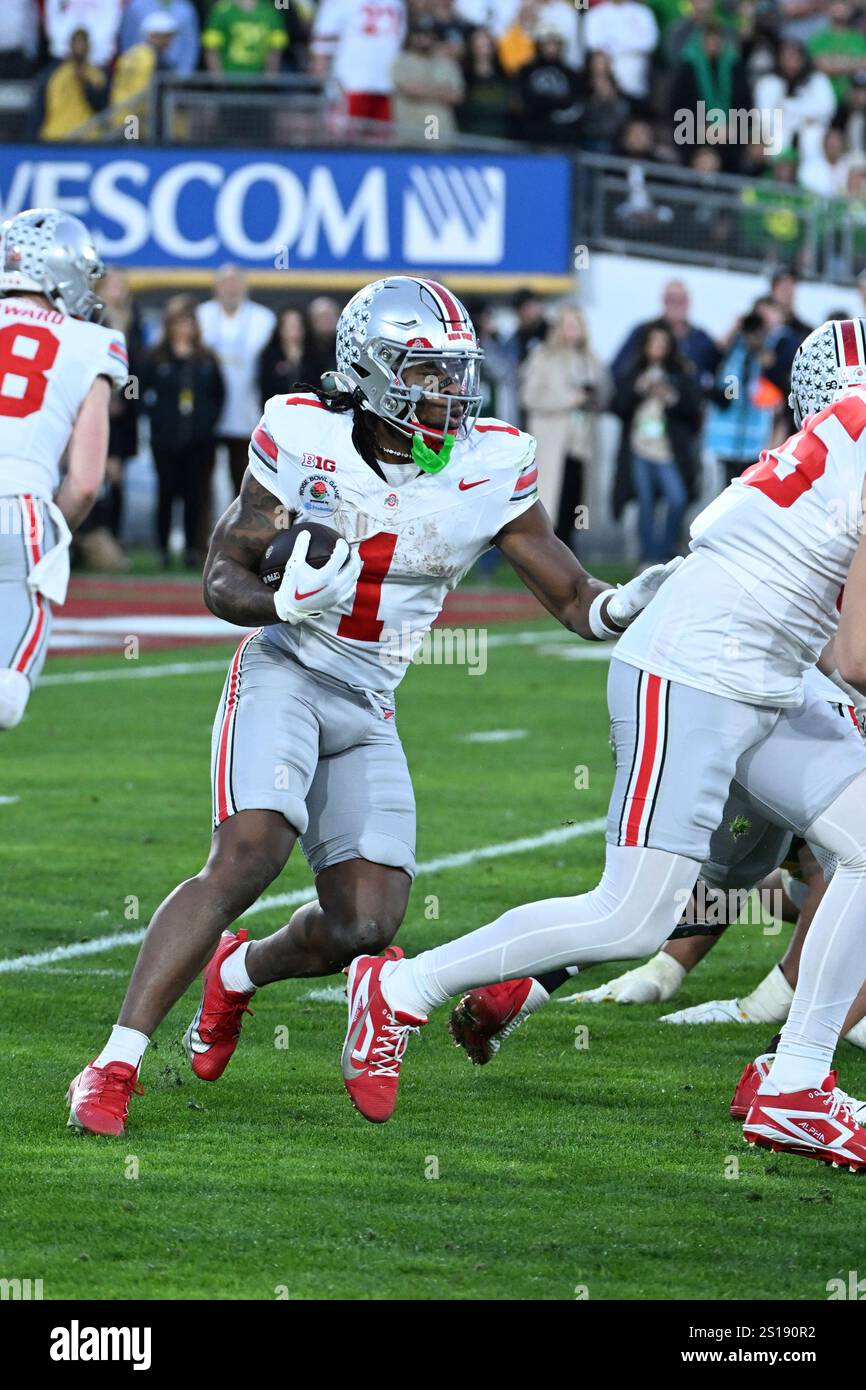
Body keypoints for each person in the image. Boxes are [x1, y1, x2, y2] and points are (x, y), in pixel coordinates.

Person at [65, 274, 680, 1136]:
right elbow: (220, 575)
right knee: (247, 856)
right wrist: (282, 602)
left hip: (371, 700)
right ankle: (112, 1067)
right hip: (285, 666)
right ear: (369, 371)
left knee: (366, 923)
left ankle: (236, 977)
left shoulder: (489, 462)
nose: (449, 393)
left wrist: (623, 605)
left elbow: (575, 595)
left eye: (455, 372)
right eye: (425, 374)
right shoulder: (302, 434)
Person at [337, 317, 866, 1175]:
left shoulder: (845, 430)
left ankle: (798, 1081)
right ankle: (397, 990)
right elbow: (856, 657)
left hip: (763, 663)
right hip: (696, 667)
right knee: (632, 914)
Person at [0, 208, 128, 730]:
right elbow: (85, 481)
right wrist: (54, 534)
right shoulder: (92, 343)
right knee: (6, 695)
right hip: (22, 512)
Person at [140, 296, 225, 569]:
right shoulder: (155, 357)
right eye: (179, 321)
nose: (184, 327)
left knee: (195, 495)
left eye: (188, 321)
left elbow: (219, 394)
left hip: (199, 441)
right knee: (166, 494)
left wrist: (206, 423)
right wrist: (154, 416)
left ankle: (192, 550)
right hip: (164, 440)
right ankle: (162, 549)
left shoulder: (206, 358)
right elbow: (136, 389)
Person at [519, 304, 610, 543]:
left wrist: (593, 395)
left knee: (575, 504)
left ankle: (571, 563)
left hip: (581, 446)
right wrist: (569, 399)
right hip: (552, 444)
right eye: (567, 324)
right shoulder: (543, 356)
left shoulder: (591, 359)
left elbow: (606, 397)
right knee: (552, 506)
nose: (572, 330)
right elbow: (529, 397)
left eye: (576, 324)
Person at [614, 321, 703, 563]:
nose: (658, 348)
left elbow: (693, 411)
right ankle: (648, 558)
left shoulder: (680, 373)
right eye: (653, 343)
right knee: (645, 504)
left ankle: (664, 553)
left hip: (667, 451)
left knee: (677, 499)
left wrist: (670, 396)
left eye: (662, 343)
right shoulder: (633, 371)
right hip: (639, 449)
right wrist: (638, 390)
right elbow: (617, 405)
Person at [196, 265, 276, 514]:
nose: (230, 288)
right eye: (225, 283)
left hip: (247, 413)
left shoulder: (264, 318)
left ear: (245, 286)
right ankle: (201, 541)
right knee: (202, 480)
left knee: (243, 479)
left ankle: (239, 535)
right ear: (216, 287)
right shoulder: (201, 315)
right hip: (207, 413)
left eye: (235, 282)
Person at [704, 310, 777, 489]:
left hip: (754, 444)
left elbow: (777, 383)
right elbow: (707, 360)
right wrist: (734, 328)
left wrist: (763, 345)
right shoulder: (730, 354)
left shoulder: (766, 357)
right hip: (725, 444)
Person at [611, 279, 719, 392]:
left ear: (688, 302)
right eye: (671, 299)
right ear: (663, 301)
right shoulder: (643, 331)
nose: (676, 304)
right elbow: (618, 371)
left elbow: (721, 366)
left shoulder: (700, 338)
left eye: (681, 300)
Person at [310, 0, 406, 124]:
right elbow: (322, 42)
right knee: (346, 140)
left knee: (381, 140)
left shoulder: (396, 3)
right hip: (350, 85)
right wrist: (325, 84)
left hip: (388, 88)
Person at [392, 16, 465, 139]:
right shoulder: (402, 61)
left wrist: (423, 90)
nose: (423, 39)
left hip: (440, 136)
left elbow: (457, 96)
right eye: (419, 34)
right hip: (410, 136)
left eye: (428, 34)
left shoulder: (447, 63)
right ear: (411, 37)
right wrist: (441, 91)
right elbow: (410, 89)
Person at [35, 26, 108, 142]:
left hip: (87, 136)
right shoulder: (53, 74)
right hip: (56, 134)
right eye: (77, 43)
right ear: (70, 45)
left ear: (89, 47)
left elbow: (101, 106)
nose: (79, 47)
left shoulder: (98, 75)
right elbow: (40, 107)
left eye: (82, 43)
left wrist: (86, 84)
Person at [516, 25, 581, 144]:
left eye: (554, 44)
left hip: (561, 135)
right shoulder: (526, 71)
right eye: (547, 44)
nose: (551, 48)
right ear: (539, 45)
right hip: (530, 135)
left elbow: (573, 104)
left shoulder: (571, 74)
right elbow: (523, 101)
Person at [583, 0, 659, 103]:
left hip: (634, 60)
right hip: (606, 61)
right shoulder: (596, 13)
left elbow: (650, 42)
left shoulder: (642, 12)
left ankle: (634, 108)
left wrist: (617, 45)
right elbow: (593, 43)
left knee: (631, 69)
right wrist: (626, 44)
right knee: (600, 65)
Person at [202, 0, 287, 76]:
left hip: (259, 83)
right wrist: (217, 78)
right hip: (228, 82)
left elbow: (275, 50)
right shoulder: (221, 10)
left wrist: (270, 78)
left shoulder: (270, 11)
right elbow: (211, 49)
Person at [457, 25, 512, 139]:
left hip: (500, 136)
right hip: (470, 137)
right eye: (478, 46)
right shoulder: (461, 75)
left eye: (486, 46)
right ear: (471, 48)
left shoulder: (504, 77)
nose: (483, 51)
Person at [120, 0, 200, 76]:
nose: (167, 40)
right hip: (140, 70)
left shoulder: (185, 9)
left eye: (169, 36)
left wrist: (183, 74)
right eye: (159, 36)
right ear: (151, 35)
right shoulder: (136, 7)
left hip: (174, 74)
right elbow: (128, 40)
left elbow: (190, 45)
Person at [257, 306, 316, 407]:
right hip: (277, 411)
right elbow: (265, 388)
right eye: (289, 326)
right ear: (280, 329)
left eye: (297, 326)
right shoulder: (269, 357)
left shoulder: (314, 355)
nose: (293, 331)